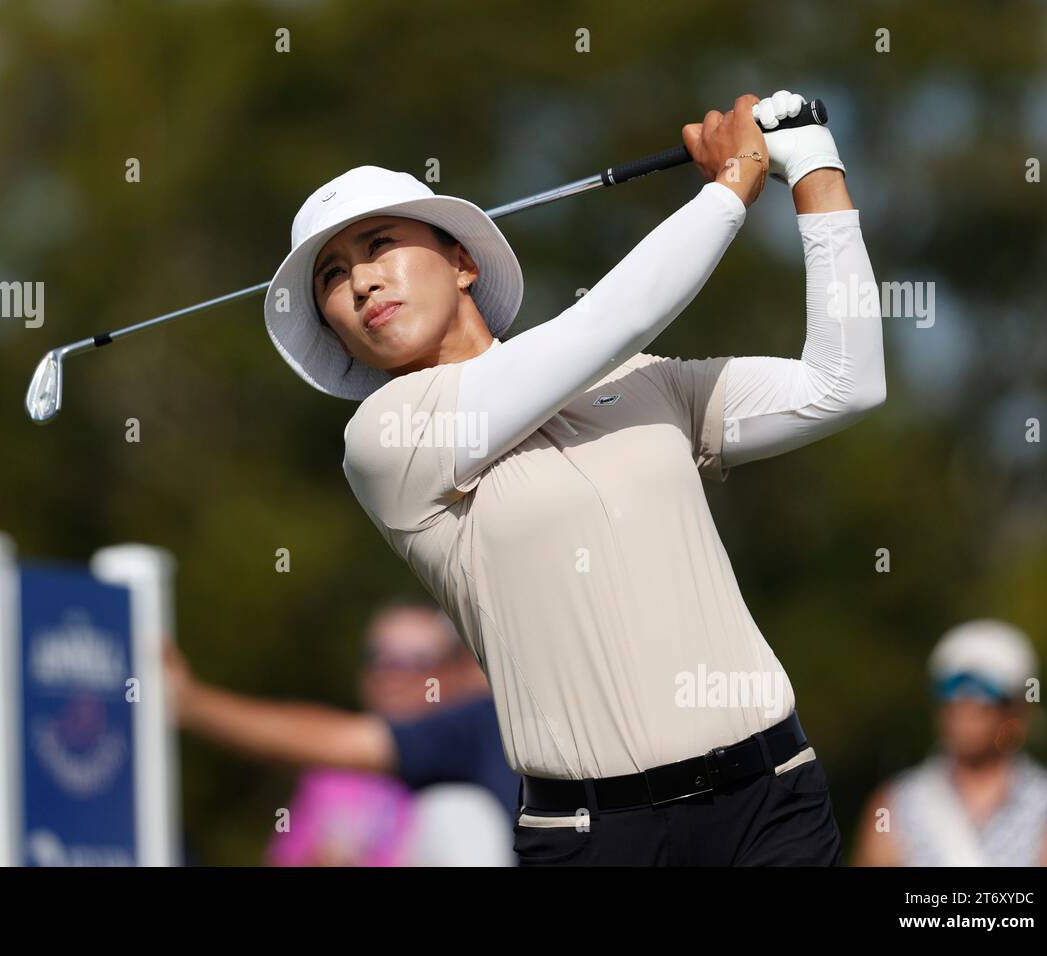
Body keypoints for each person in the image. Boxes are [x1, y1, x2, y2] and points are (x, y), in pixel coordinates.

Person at [264, 89, 885, 865]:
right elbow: (605, 320)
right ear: (342, 341)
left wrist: (814, 169)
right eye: (332, 277)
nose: (360, 283)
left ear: (462, 261)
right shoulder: (384, 441)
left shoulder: (643, 382)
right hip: (594, 839)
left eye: (380, 244)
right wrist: (730, 186)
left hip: (771, 806)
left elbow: (844, 384)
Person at [163, 598, 519, 863]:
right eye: (379, 659)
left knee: (457, 816)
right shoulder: (332, 780)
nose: (392, 676)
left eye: (416, 662)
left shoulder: (490, 734)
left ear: (458, 672)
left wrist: (191, 703)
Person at [852, 619, 1047, 866]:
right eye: (953, 696)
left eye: (983, 699)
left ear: (1016, 712)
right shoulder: (895, 805)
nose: (966, 711)